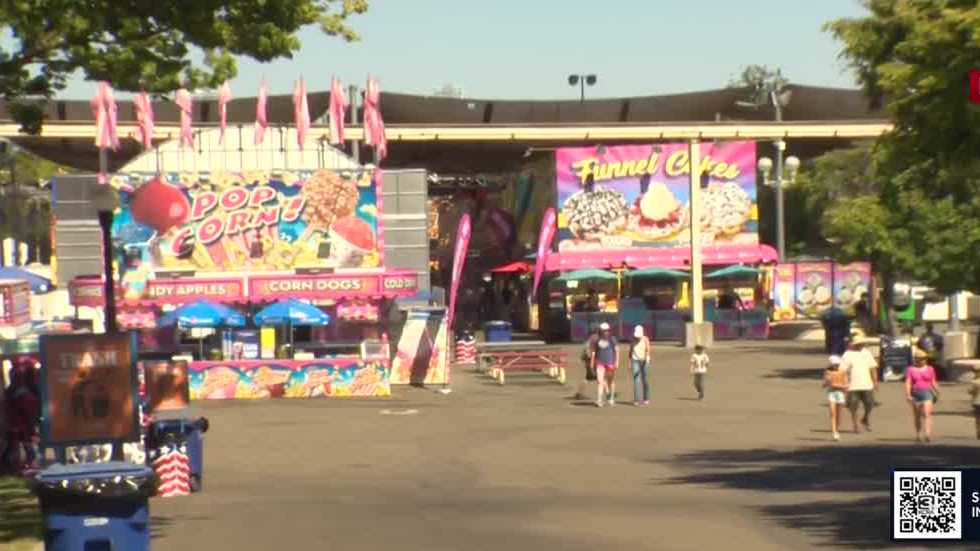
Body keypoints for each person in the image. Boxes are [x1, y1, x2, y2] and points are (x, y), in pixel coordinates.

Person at [841, 336, 878, 433]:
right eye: (859, 344)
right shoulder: (847, 355)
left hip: (866, 384)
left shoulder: (867, 353)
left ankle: (865, 418)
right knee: (853, 406)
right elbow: (843, 371)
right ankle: (855, 425)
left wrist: (875, 382)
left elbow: (872, 368)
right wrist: (844, 384)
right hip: (852, 385)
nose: (861, 345)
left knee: (870, 404)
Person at [905, 348, 940, 443]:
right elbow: (908, 382)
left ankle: (927, 433)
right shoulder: (910, 369)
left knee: (926, 413)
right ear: (916, 359)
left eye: (924, 358)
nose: (923, 360)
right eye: (920, 358)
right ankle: (918, 434)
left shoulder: (930, 369)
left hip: (927, 392)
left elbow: (933, 381)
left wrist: (937, 391)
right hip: (915, 393)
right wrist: (908, 394)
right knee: (917, 415)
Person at [822, 355, 849, 441]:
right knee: (832, 413)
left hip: (840, 394)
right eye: (834, 364)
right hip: (831, 393)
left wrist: (837, 385)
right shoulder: (828, 372)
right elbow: (826, 383)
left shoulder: (843, 371)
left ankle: (837, 430)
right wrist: (827, 382)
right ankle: (834, 432)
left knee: (838, 414)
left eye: (837, 364)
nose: (836, 366)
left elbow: (846, 384)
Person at [592, 322, 618, 407]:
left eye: (606, 330)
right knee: (600, 381)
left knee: (610, 381)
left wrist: (616, 361)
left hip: (610, 363)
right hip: (600, 363)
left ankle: (611, 398)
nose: (605, 332)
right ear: (600, 331)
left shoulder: (612, 339)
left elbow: (617, 350)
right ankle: (599, 400)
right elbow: (594, 351)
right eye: (603, 330)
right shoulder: (597, 340)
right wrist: (592, 362)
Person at [574, 324, 599, 401]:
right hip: (591, 360)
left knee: (589, 377)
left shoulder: (590, 339)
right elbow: (590, 351)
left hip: (589, 360)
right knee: (594, 377)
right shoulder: (595, 338)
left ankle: (579, 393)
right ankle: (609, 393)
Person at [630, 325, 651, 405]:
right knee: (636, 380)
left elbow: (648, 350)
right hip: (635, 360)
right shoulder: (632, 340)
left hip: (645, 361)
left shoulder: (645, 339)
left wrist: (645, 358)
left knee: (645, 379)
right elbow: (631, 350)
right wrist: (630, 362)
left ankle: (646, 398)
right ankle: (637, 400)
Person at [968, 369, 980, 440]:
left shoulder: (974, 381)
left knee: (978, 418)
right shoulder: (974, 381)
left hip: (976, 402)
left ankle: (978, 432)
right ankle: (978, 431)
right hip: (976, 402)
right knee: (978, 418)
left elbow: (970, 391)